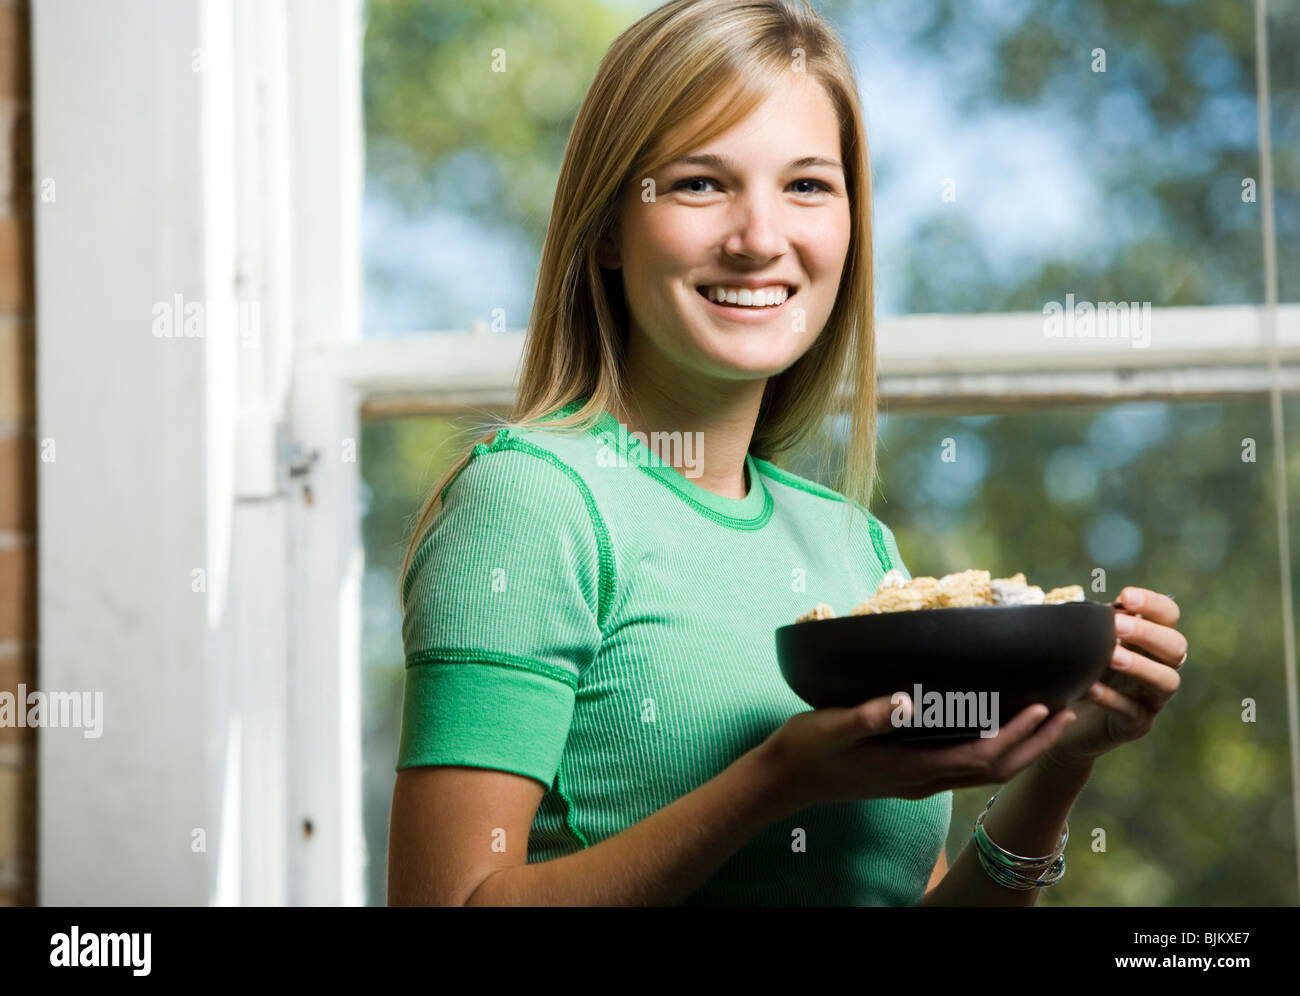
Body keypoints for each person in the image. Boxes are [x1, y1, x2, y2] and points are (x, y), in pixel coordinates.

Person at [386, 0, 1188, 906]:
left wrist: (1057, 764)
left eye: (807, 186)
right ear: (608, 227)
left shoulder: (859, 551)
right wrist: (775, 783)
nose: (760, 239)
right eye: (699, 183)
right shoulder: (532, 502)